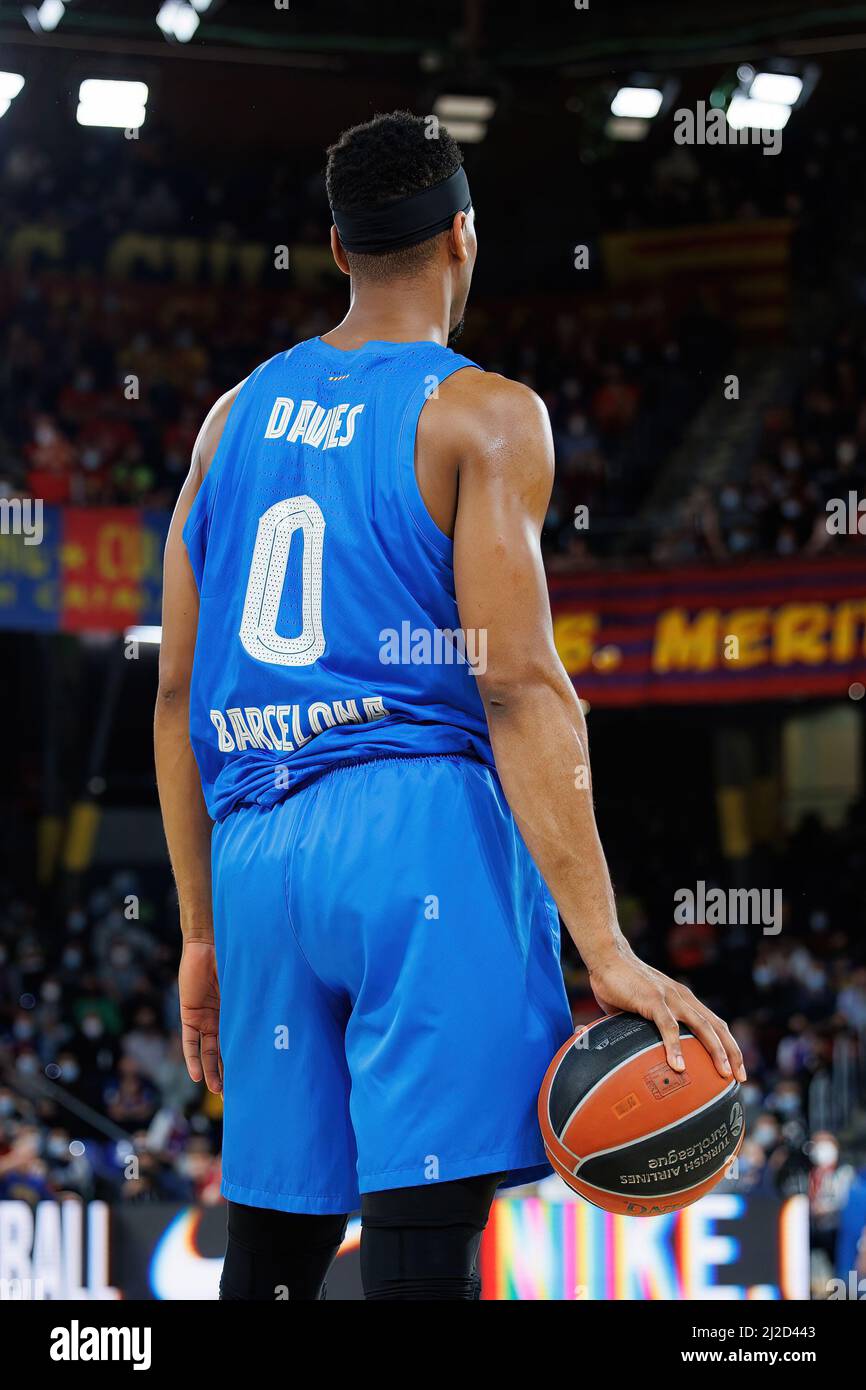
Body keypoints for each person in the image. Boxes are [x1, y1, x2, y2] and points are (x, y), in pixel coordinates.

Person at [155, 111, 745, 1301]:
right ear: (462, 239)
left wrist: (201, 933)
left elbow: (174, 693)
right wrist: (606, 947)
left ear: (336, 247)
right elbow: (520, 687)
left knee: (271, 1249)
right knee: (422, 1246)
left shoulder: (227, 422)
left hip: (256, 847)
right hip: (416, 836)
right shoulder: (484, 413)